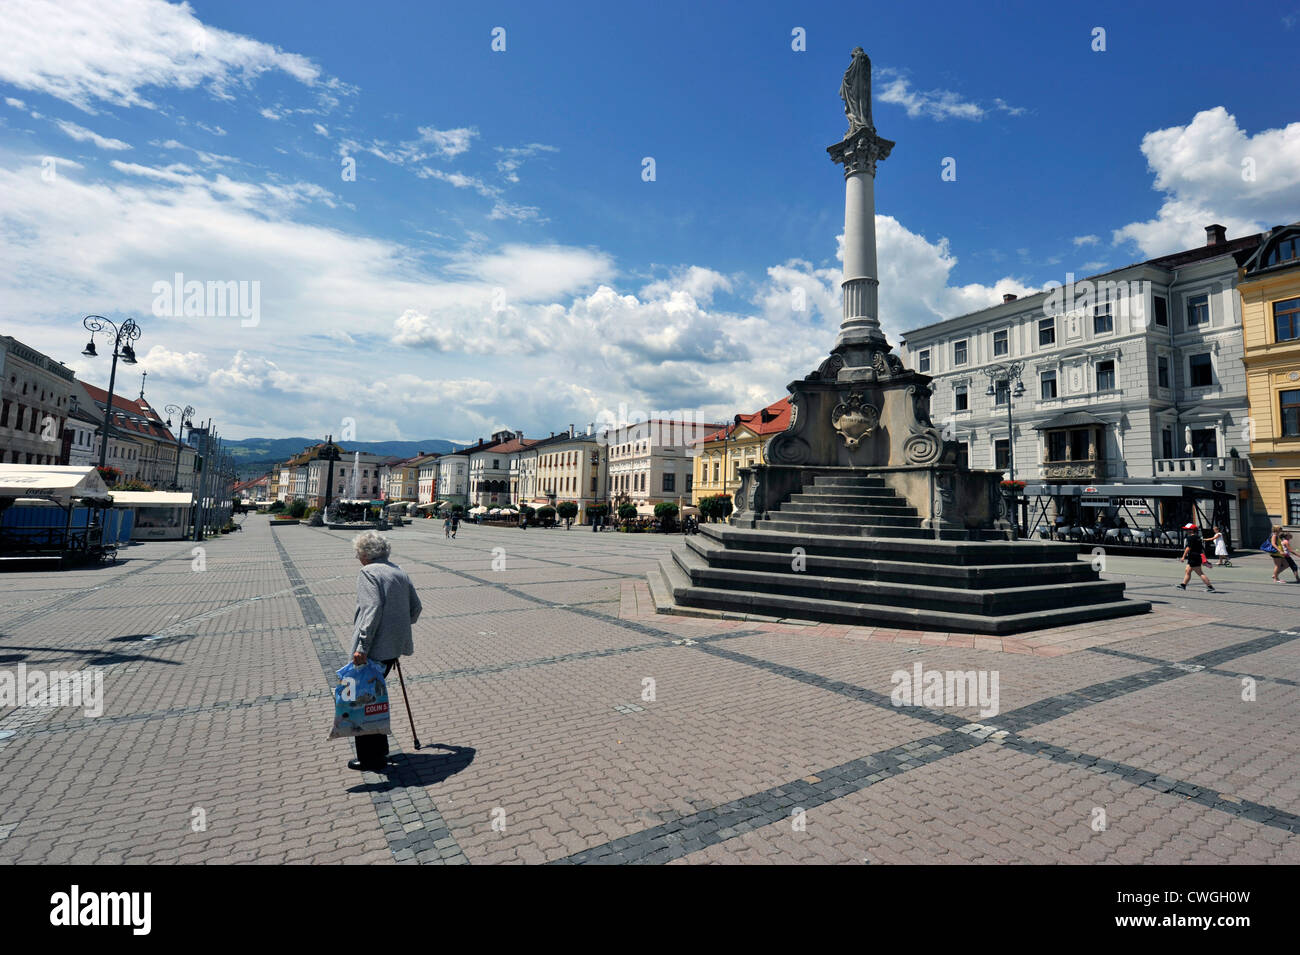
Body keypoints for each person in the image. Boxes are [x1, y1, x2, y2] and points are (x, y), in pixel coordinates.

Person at [347, 531, 422, 773]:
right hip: (392, 648)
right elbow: (416, 608)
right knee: (374, 698)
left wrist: (362, 647)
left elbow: (372, 609)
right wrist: (397, 628)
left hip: (373, 650)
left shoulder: (368, 573)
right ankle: (380, 751)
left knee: (364, 700)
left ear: (366, 554)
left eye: (358, 553)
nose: (358, 558)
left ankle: (371, 758)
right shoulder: (398, 571)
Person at [1176, 526, 1216, 593]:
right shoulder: (1198, 537)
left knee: (1200, 573)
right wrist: (1204, 558)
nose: (1186, 531)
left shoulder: (1190, 538)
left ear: (1192, 530)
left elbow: (1188, 548)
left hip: (1193, 557)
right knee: (1187, 571)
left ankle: (1210, 587)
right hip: (1196, 556)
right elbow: (1201, 549)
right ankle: (1183, 585)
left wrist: (1183, 557)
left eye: (1188, 529)